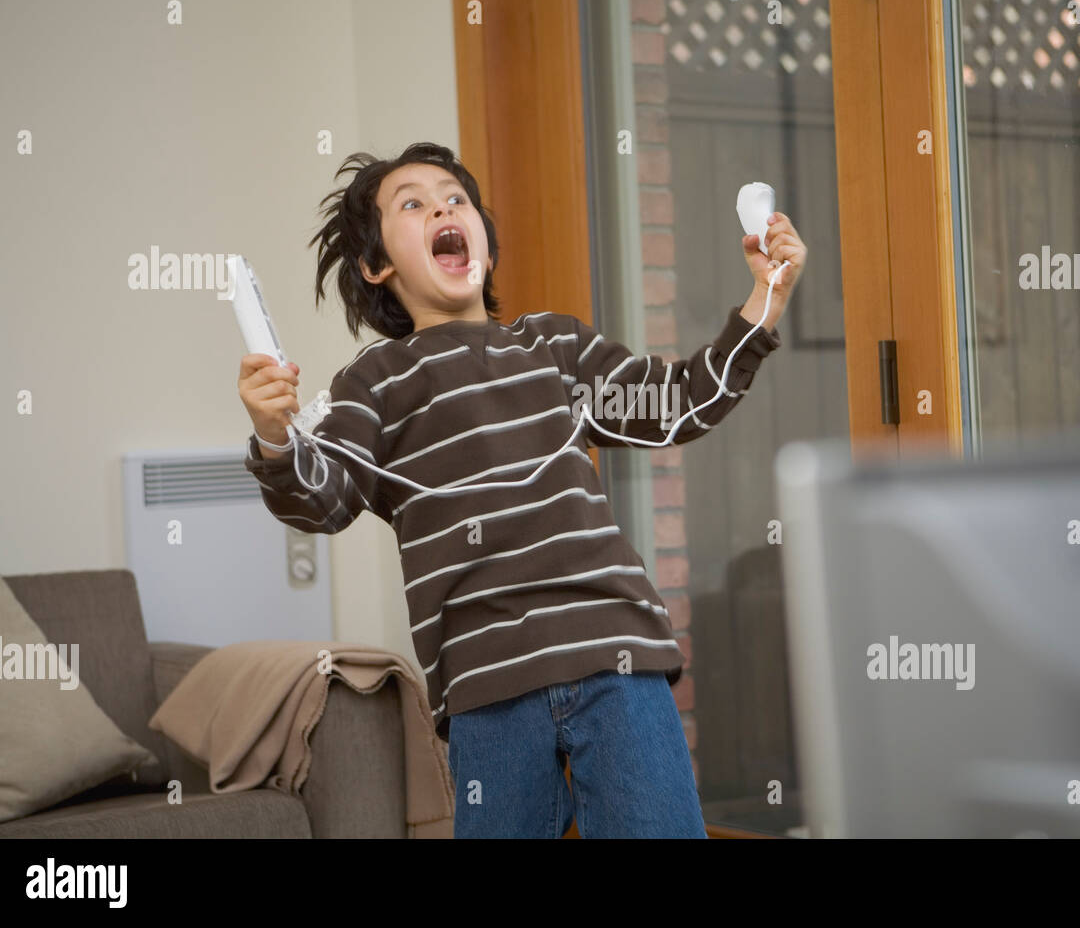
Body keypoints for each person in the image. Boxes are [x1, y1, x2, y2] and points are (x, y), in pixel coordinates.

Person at [237, 142, 807, 837]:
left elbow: (680, 403)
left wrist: (766, 295)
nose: (442, 207)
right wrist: (274, 433)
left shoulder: (555, 349)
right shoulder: (373, 384)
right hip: (486, 684)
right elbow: (321, 499)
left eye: (454, 197)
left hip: (614, 651)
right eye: (411, 203)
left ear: (484, 238)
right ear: (376, 266)